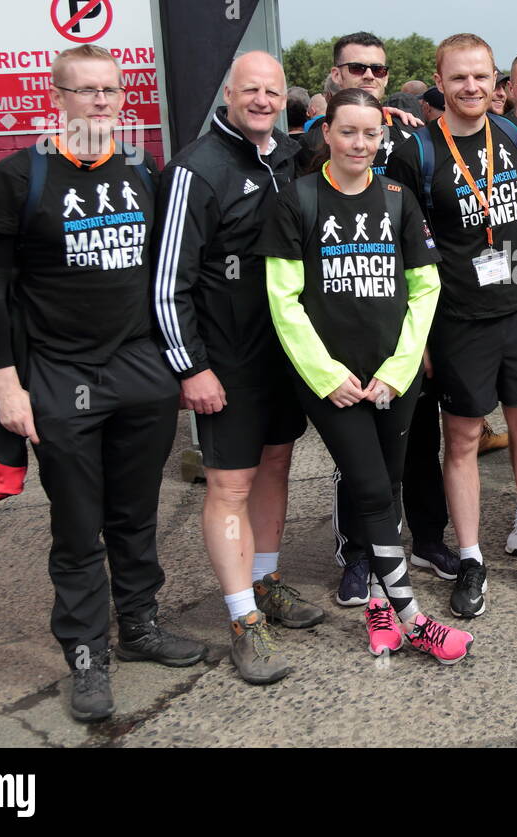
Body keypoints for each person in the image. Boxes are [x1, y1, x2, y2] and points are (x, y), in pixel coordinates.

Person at [0, 44, 205, 723]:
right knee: (78, 522)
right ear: (57, 97)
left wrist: (176, 362)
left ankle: (139, 625)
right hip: (58, 373)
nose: (100, 102)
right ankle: (85, 649)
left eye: (110, 90)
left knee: (135, 513)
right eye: (86, 90)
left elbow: (168, 272)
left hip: (139, 368)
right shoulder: (15, 179)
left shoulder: (141, 167)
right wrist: (7, 388)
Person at [258, 88, 472, 663]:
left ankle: (379, 605)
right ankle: (414, 618)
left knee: (389, 487)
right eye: (348, 131)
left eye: (371, 134)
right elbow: (283, 300)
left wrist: (400, 369)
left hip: (393, 378)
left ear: (383, 137)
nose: (360, 143)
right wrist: (325, 374)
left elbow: (425, 287)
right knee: (371, 488)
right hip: (331, 382)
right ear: (326, 132)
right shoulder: (296, 200)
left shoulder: (399, 198)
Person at [387, 32, 517, 617]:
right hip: (458, 320)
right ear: (439, 83)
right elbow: (398, 249)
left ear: (498, 84)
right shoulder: (416, 153)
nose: (471, 86)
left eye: (481, 76)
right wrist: (418, 336)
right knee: (462, 439)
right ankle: (469, 556)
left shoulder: (516, 134)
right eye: (458, 77)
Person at [154, 51, 318, 686]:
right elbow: (168, 283)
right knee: (229, 487)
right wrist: (190, 367)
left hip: (285, 353)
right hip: (224, 364)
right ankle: (243, 619)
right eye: (250, 90)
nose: (262, 100)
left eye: (272, 91)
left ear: (285, 97)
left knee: (277, 463)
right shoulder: (196, 169)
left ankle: (266, 580)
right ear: (229, 93)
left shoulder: (288, 154)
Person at [319, 32, 459, 605]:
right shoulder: (314, 138)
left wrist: (418, 341)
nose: (368, 76)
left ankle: (426, 538)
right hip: (343, 335)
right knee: (359, 460)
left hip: (404, 328)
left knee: (418, 443)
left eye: (377, 69)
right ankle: (358, 555)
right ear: (335, 73)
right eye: (356, 67)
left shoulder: (406, 136)